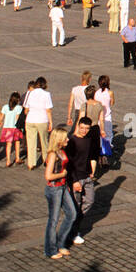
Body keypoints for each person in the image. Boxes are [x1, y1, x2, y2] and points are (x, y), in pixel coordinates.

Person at [65, 115, 101, 244]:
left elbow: (92, 156)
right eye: (82, 128)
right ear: (78, 127)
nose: (84, 131)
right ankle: (73, 231)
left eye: (86, 128)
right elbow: (69, 164)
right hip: (76, 178)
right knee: (76, 204)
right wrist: (74, 181)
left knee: (89, 201)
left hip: (87, 176)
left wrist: (92, 171)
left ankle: (74, 223)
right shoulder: (72, 142)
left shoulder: (89, 140)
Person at [43, 127, 75, 259]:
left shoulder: (61, 151)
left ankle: (61, 243)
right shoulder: (52, 155)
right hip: (54, 188)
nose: (68, 139)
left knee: (72, 214)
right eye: (65, 138)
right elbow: (48, 176)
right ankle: (50, 249)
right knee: (53, 219)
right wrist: (62, 174)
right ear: (59, 139)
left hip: (63, 186)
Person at [23, 76, 54, 169]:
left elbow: (26, 109)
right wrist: (50, 122)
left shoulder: (29, 93)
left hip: (30, 119)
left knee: (31, 142)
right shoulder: (46, 94)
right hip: (42, 120)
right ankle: (46, 160)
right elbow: (48, 110)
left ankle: (31, 163)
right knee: (44, 141)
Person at [95, 76, 116, 162]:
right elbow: (112, 103)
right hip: (107, 116)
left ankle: (100, 151)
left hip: (98, 116)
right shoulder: (110, 93)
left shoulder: (96, 93)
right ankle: (106, 152)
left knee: (100, 134)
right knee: (108, 134)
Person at [0, 92, 24, 166]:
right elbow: (17, 118)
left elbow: (1, 117)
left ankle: (8, 160)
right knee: (17, 142)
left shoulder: (5, 107)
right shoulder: (19, 108)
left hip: (7, 128)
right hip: (15, 128)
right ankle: (17, 158)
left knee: (8, 144)